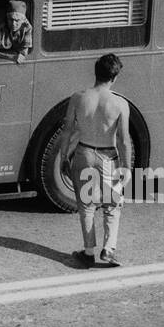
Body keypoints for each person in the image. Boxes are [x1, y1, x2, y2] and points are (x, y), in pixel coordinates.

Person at [55, 53, 131, 268]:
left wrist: (63, 157)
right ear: (115, 77)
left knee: (86, 205)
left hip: (84, 153)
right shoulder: (120, 103)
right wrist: (127, 166)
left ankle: (88, 252)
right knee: (112, 204)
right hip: (109, 156)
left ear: (95, 73)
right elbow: (124, 140)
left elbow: (67, 130)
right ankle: (108, 249)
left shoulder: (78, 98)